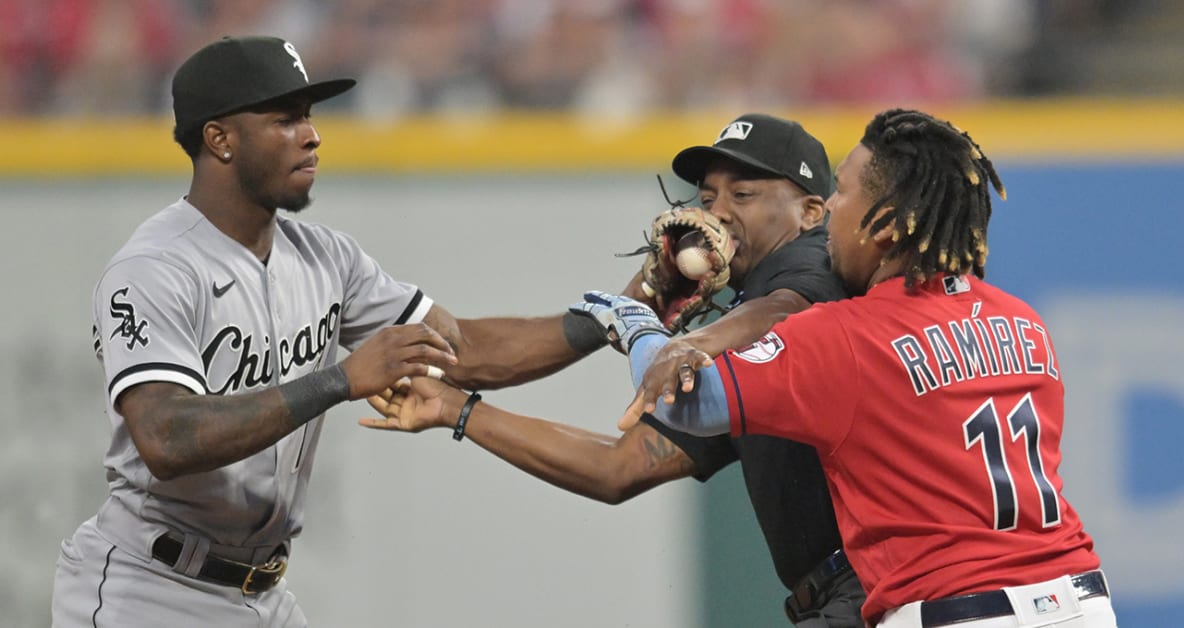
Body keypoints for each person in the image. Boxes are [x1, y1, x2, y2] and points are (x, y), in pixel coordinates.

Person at [51, 35, 609, 628]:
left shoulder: (325, 258)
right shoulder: (156, 268)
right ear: (220, 139)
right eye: (284, 119)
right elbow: (165, 438)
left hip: (259, 595)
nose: (311, 135)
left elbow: (465, 352)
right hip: (150, 591)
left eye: (309, 116)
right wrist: (340, 380)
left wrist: (617, 312)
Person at [592, 108, 1117, 627]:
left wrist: (638, 322)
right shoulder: (1022, 321)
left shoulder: (845, 333)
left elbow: (687, 405)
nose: (833, 209)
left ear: (886, 224)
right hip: (1081, 601)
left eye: (842, 192)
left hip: (956, 610)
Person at [361, 113, 867, 626]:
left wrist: (687, 344)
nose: (718, 212)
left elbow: (788, 308)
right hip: (842, 594)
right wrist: (456, 409)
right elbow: (617, 468)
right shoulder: (737, 346)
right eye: (708, 196)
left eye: (744, 195)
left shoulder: (813, 266)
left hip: (871, 585)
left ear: (809, 212)